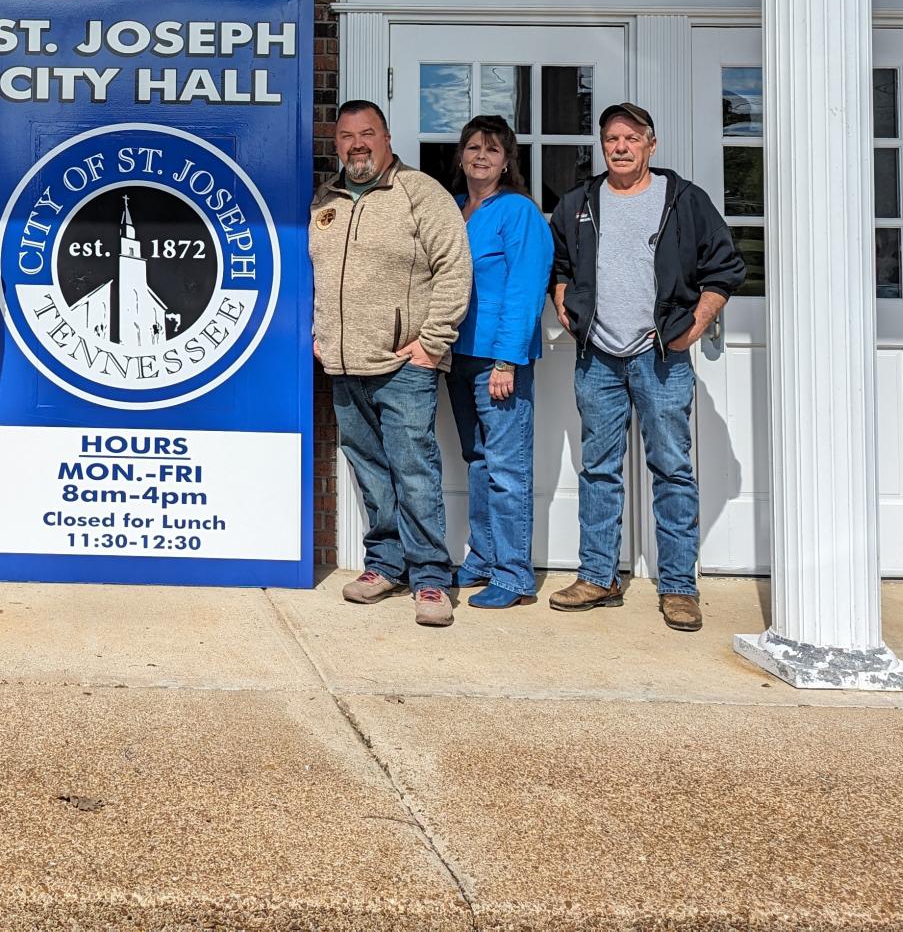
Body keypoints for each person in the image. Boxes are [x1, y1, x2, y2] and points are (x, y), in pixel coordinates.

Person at [549, 101, 745, 634]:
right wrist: (565, 304)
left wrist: (696, 324)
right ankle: (598, 576)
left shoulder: (684, 199)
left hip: (660, 356)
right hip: (598, 356)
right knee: (599, 469)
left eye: (631, 138)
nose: (620, 147)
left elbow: (725, 267)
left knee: (672, 470)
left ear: (651, 146)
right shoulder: (579, 203)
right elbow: (560, 264)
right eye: (612, 139)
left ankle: (679, 586)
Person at [310, 99, 472, 628]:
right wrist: (320, 334)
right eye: (347, 136)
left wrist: (432, 341)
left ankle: (431, 577)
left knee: (414, 471)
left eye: (367, 134)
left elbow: (454, 268)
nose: (357, 144)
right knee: (371, 471)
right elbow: (319, 276)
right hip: (344, 365)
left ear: (385, 138)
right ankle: (385, 565)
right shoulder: (325, 200)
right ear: (337, 144)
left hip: (405, 365)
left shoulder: (420, 192)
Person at [445, 115, 554, 610]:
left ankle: (514, 574)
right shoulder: (455, 210)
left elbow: (525, 291)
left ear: (507, 160)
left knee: (507, 469)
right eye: (473, 147)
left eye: (492, 149)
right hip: (459, 355)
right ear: (461, 155)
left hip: (498, 359)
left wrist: (508, 361)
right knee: (477, 460)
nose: (481, 156)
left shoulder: (518, 212)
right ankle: (484, 558)